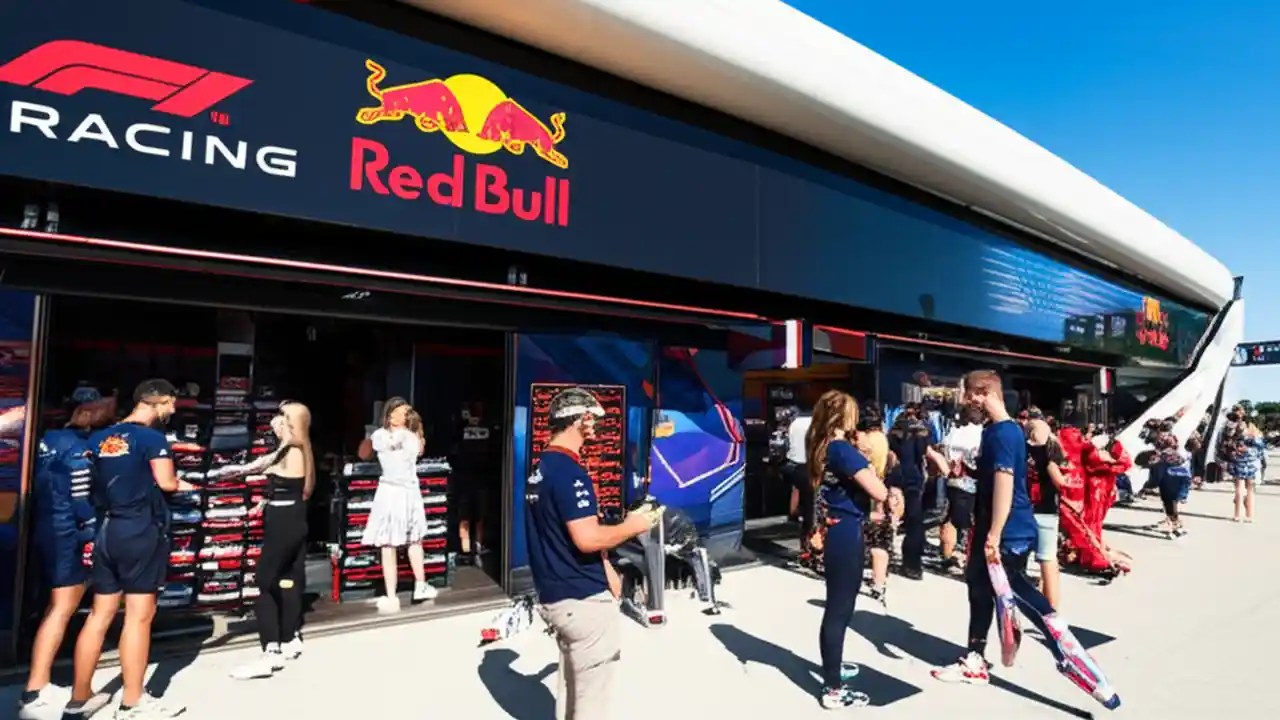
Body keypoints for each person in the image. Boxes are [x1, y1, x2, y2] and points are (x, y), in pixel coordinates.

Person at [526, 387, 662, 720]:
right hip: (583, 601)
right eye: (593, 420)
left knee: (571, 691)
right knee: (591, 704)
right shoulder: (572, 474)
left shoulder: (539, 469)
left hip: (555, 595)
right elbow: (586, 538)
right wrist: (636, 524)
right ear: (581, 420)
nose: (596, 428)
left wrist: (608, 571)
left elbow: (561, 536)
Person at [70, 379, 196, 719]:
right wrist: (194, 485)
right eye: (171, 404)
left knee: (99, 615)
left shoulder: (99, 438)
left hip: (106, 529)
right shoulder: (152, 438)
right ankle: (133, 701)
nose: (172, 410)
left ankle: (79, 698)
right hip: (139, 529)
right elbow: (168, 482)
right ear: (158, 401)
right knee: (140, 617)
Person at [932, 370, 1065, 687]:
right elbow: (996, 477)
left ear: (982, 393)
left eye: (968, 395)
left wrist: (993, 533)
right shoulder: (999, 432)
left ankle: (1061, 640)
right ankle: (975, 657)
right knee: (980, 589)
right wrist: (971, 472)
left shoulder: (1003, 433)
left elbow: (1006, 483)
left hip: (1006, 530)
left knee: (1015, 590)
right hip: (1001, 526)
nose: (965, 402)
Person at [18, 397, 116, 720]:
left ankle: (37, 685)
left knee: (55, 606)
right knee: (62, 608)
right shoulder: (79, 447)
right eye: (105, 408)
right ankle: (37, 687)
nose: (110, 414)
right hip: (67, 535)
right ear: (85, 412)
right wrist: (91, 535)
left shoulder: (46, 438)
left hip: (44, 527)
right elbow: (80, 500)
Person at [807, 390, 888, 708]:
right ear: (847, 417)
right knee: (840, 608)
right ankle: (832, 688)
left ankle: (833, 667)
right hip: (845, 531)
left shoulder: (823, 445)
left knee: (839, 605)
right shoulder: (842, 449)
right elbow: (877, 489)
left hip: (836, 527)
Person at [230, 401, 316, 680]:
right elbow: (293, 485)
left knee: (264, 583)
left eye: (282, 416)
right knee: (289, 579)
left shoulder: (290, 448)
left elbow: (260, 465)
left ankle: (271, 650)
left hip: (284, 522)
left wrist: (229, 472)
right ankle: (290, 637)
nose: (275, 421)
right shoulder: (301, 449)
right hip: (293, 517)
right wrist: (262, 503)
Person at [360, 397, 435, 612]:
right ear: (390, 415)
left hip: (405, 490)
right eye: (401, 412)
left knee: (414, 539)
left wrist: (415, 426)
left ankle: (419, 585)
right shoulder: (381, 435)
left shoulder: (409, 436)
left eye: (406, 412)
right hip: (392, 490)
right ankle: (392, 594)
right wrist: (369, 434)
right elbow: (364, 454)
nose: (404, 415)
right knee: (389, 543)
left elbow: (419, 450)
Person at [855, 408, 900, 612]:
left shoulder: (864, 440)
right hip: (882, 486)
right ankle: (880, 580)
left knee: (869, 535)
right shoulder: (883, 438)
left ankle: (871, 575)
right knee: (881, 535)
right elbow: (891, 461)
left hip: (867, 488)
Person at [1026, 417, 1068, 609]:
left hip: (1022, 510)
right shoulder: (1049, 453)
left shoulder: (1021, 451)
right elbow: (1060, 483)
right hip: (1046, 510)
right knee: (1048, 560)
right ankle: (1051, 610)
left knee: (1017, 561)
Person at [935, 406, 983, 573]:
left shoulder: (954, 433)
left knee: (949, 520)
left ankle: (947, 555)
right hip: (972, 483)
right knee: (968, 524)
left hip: (952, 480)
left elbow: (942, 449)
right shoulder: (980, 434)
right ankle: (963, 555)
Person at [453, 401, 500, 559]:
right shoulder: (460, 428)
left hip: (481, 477)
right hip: (465, 477)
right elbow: (454, 445)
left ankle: (477, 546)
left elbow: (494, 449)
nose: (474, 416)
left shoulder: (488, 428)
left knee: (480, 515)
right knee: (465, 516)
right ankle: (465, 549)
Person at [888, 404, 930, 581]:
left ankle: (883, 552)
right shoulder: (921, 432)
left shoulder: (894, 431)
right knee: (915, 521)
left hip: (897, 475)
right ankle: (912, 564)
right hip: (914, 476)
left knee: (892, 516)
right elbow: (923, 453)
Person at [784, 407, 814, 554]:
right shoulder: (814, 423)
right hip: (809, 465)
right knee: (810, 507)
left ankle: (793, 512)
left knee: (796, 488)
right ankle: (808, 545)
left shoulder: (794, 423)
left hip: (794, 463)